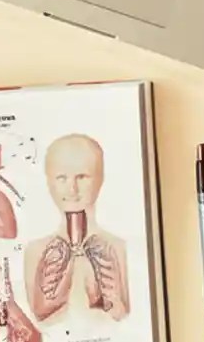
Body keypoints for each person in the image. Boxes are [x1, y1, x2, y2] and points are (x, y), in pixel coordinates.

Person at [24, 134, 130, 323]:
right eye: (61, 178)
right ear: (49, 182)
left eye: (81, 177)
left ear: (100, 179)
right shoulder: (36, 251)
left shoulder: (119, 248)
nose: (72, 189)